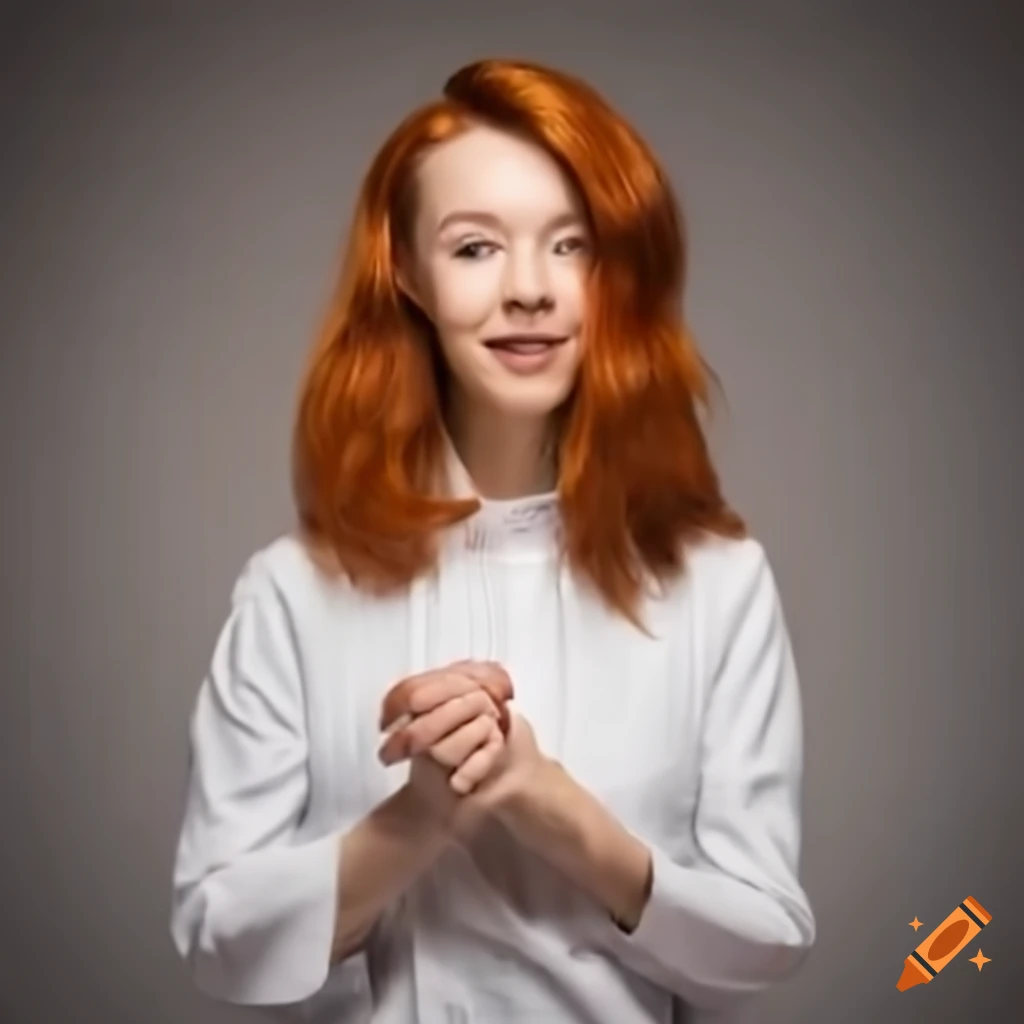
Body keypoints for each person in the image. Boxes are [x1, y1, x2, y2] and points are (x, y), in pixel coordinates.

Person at [169, 57, 816, 1023]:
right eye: (474, 247)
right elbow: (218, 940)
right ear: (408, 271)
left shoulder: (718, 586)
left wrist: (556, 812)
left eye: (571, 246)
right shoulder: (292, 593)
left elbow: (764, 939)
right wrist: (415, 819)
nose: (528, 291)